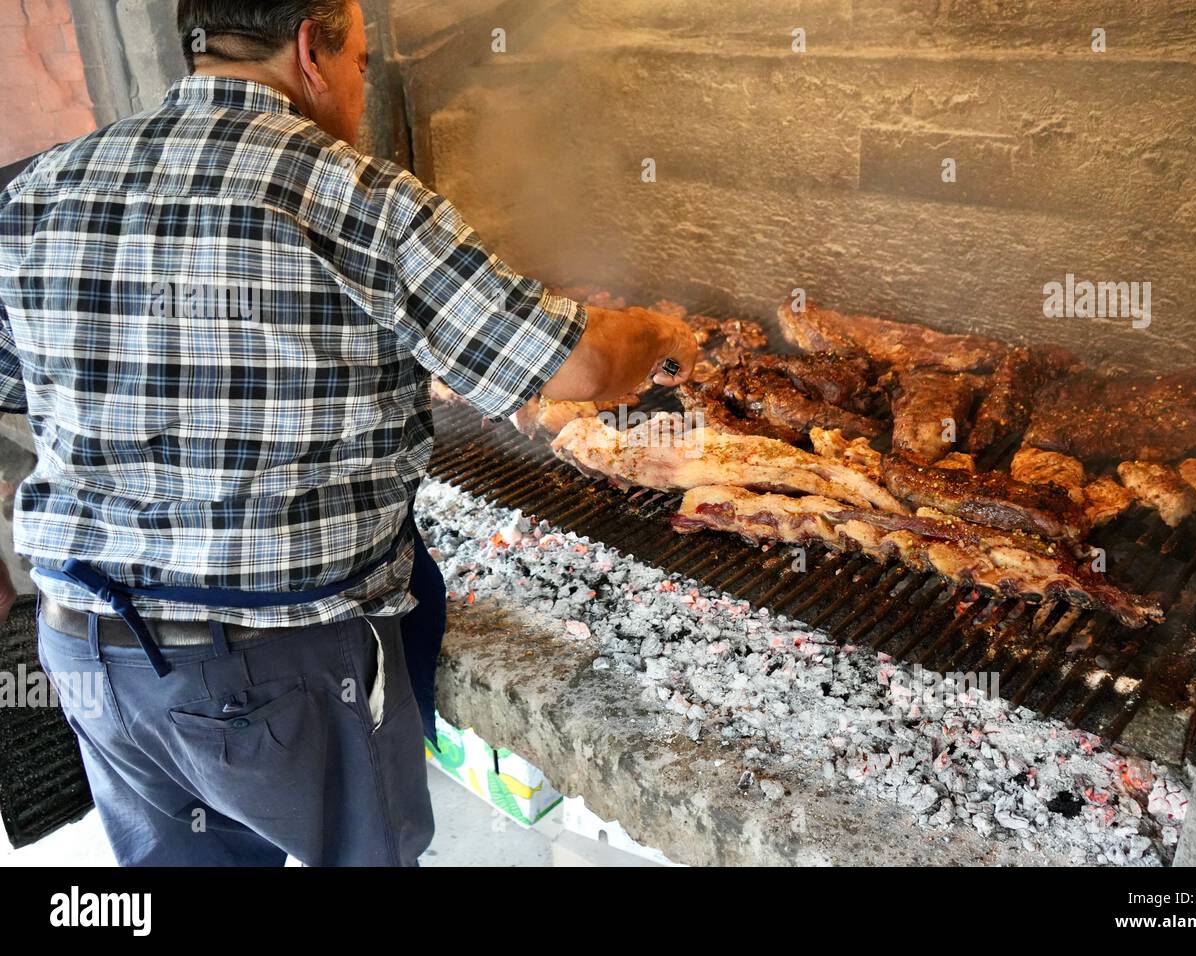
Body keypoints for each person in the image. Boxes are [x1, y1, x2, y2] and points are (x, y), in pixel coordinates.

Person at [0, 0, 696, 867]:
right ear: (310, 52)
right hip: (276, 662)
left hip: (87, 647)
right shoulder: (354, 196)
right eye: (363, 63)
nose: (363, 90)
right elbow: (582, 369)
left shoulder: (41, 187)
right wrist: (662, 335)